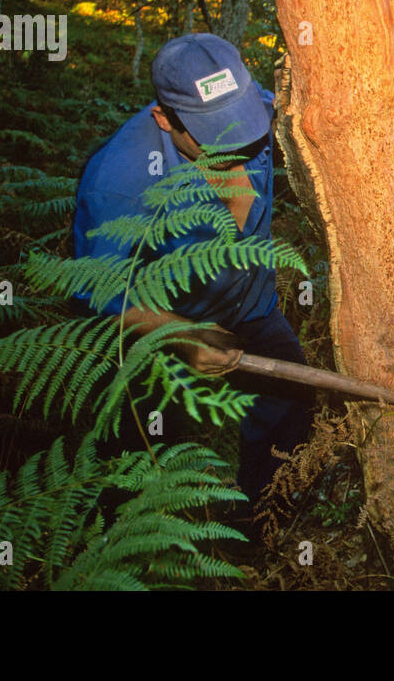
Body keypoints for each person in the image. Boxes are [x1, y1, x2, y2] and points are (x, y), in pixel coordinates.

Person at [73, 32, 312, 516]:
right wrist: (178, 335)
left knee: (291, 404)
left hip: (250, 304)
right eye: (215, 131)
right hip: (158, 325)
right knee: (134, 453)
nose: (238, 142)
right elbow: (100, 291)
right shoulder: (119, 183)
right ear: (165, 119)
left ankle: (257, 525)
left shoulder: (262, 113)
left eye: (241, 121)